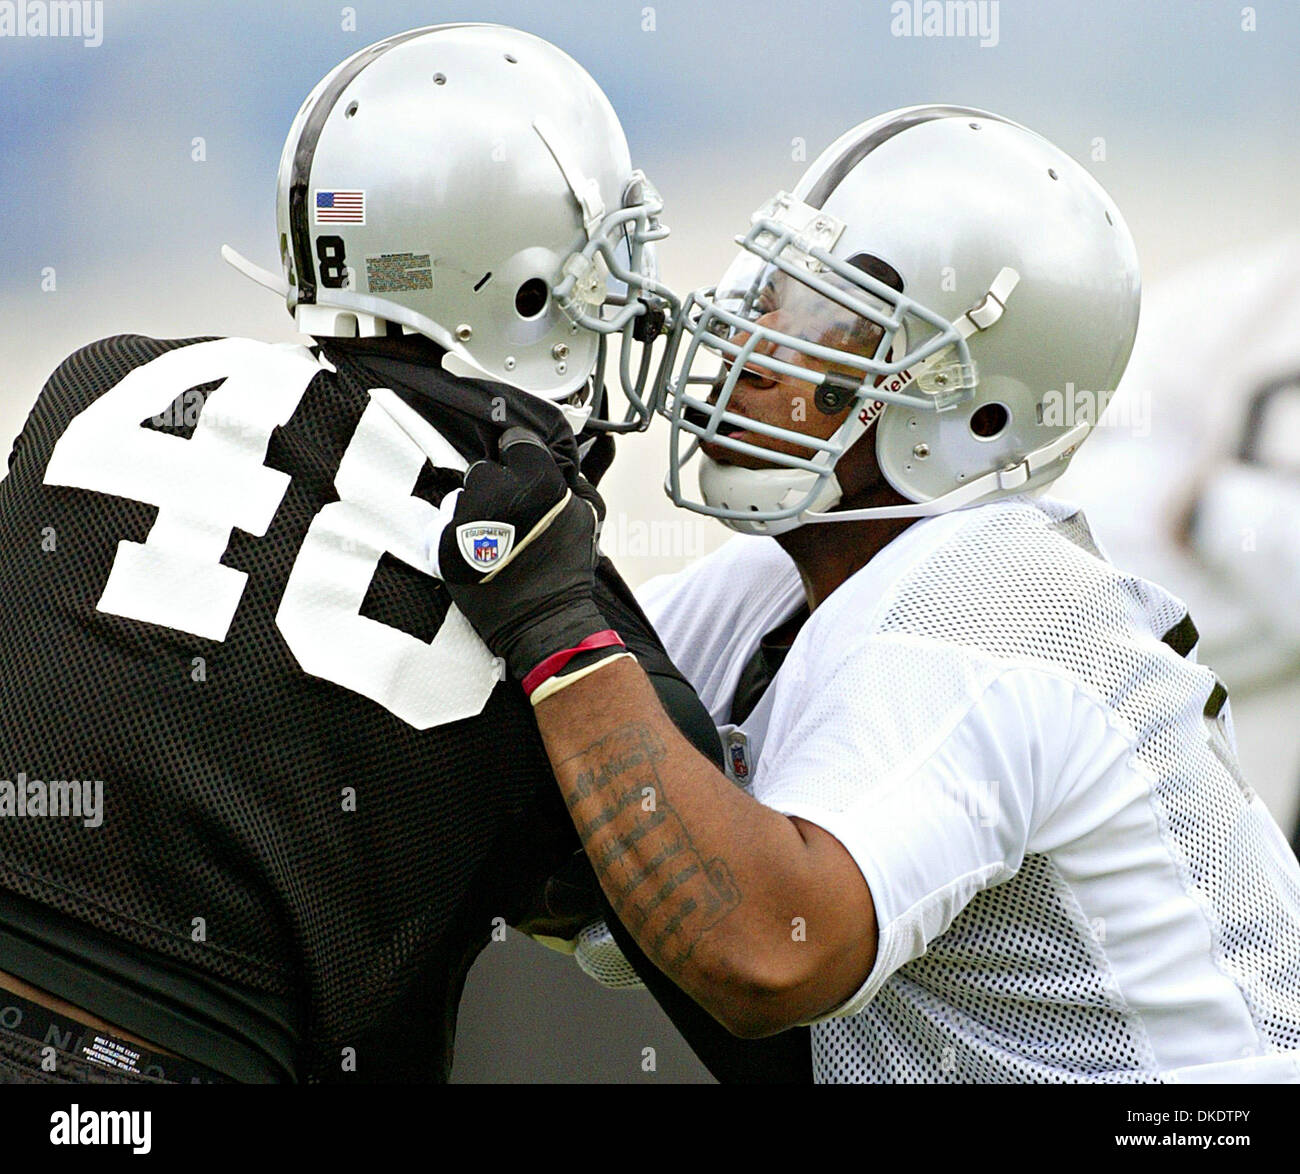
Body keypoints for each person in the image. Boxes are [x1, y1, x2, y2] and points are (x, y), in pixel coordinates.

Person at [0, 23, 808, 1084]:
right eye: (610, 260)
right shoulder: (561, 621)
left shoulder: (96, 384)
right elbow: (755, 983)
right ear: (525, 284)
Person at [436, 105, 1300, 1082]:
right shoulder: (790, 581)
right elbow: (522, 741)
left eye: (817, 319)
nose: (750, 343)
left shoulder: (983, 608)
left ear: (969, 406)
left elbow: (770, 953)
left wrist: (556, 625)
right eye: (766, 294)